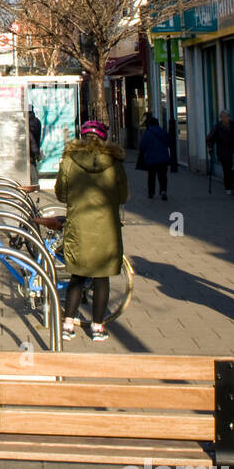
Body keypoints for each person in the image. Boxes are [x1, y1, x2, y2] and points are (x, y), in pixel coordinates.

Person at [53, 118, 128, 343]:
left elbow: (61, 193)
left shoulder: (69, 160)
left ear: (82, 137)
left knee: (78, 275)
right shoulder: (114, 162)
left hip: (79, 227)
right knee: (101, 278)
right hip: (106, 228)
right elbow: (123, 196)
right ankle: (97, 327)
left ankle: (67, 325)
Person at [139, 116, 171, 201]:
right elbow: (169, 142)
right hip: (163, 157)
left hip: (151, 158)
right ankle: (163, 191)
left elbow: (142, 146)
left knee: (151, 176)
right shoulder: (162, 131)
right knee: (163, 176)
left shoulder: (146, 133)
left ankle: (151, 193)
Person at [207, 109, 234, 194]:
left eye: (227, 116)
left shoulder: (233, 125)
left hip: (232, 150)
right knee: (227, 170)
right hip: (223, 151)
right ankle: (228, 188)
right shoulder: (217, 127)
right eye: (223, 117)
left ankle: (230, 185)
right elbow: (209, 138)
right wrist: (210, 148)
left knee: (230, 170)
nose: (226, 118)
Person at [28, 106, 42, 179]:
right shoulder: (37, 121)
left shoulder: (27, 121)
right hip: (34, 148)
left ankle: (34, 183)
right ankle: (34, 182)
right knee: (32, 165)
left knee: (31, 166)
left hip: (29, 149)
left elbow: (31, 138)